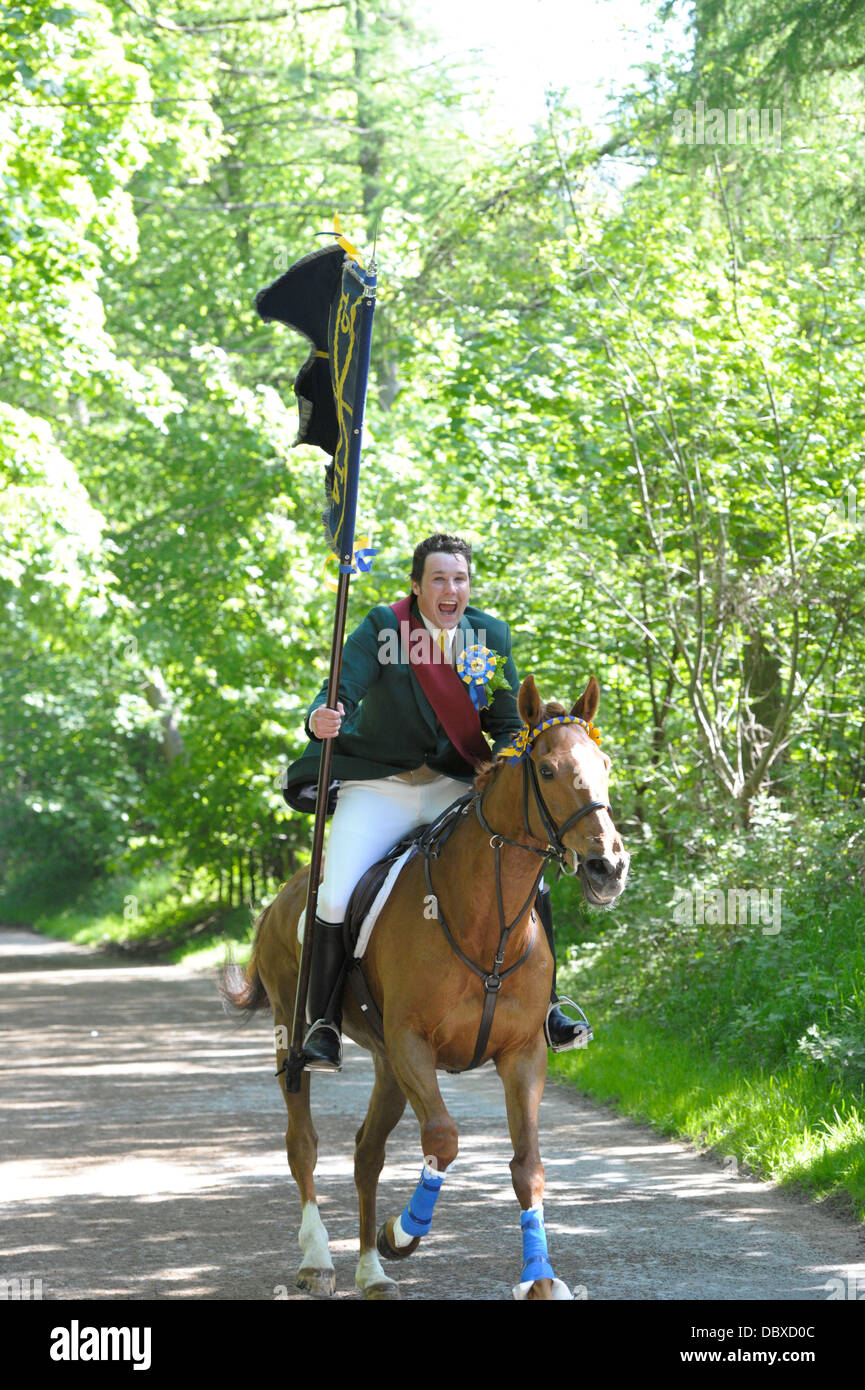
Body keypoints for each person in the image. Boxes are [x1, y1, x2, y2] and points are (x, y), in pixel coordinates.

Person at [282, 532, 588, 1069]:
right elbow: (340, 688)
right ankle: (324, 1022)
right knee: (332, 897)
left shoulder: (489, 635)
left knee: (531, 877)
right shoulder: (384, 628)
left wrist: (518, 761)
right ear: (417, 586)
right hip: (382, 789)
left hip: (455, 788)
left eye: (460, 579)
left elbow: (506, 724)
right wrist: (320, 716)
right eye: (440, 579)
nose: (452, 589)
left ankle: (551, 1007)